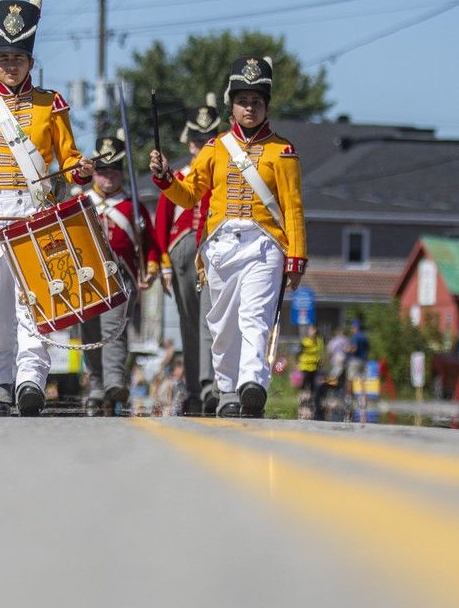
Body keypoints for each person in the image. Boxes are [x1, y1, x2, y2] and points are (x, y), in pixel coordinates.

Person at [0, 0, 94, 417]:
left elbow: (69, 159)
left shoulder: (52, 104)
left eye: (19, 58)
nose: (11, 66)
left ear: (31, 61)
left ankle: (30, 379)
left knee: (38, 303)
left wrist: (80, 169)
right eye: (4, 58)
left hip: (39, 212)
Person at [150, 56, 307, 418]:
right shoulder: (215, 148)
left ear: (266, 105)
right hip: (220, 246)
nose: (249, 107)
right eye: (242, 100)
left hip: (264, 244)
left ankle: (252, 383)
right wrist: (164, 178)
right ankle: (226, 390)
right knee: (221, 326)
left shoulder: (282, 152)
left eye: (256, 100)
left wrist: (296, 258)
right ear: (231, 106)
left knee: (255, 316)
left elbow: (294, 210)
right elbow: (189, 194)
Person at [81, 136, 159, 416]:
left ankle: (115, 383)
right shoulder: (81, 202)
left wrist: (150, 268)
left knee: (113, 331)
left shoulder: (131, 206)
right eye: (102, 171)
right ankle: (98, 386)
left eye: (114, 171)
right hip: (86, 277)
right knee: (90, 334)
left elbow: (150, 243)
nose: (107, 177)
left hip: (120, 275)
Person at [154, 93, 219, 414]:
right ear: (189, 143)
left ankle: (216, 386)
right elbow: (162, 224)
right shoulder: (178, 177)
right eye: (197, 141)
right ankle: (196, 388)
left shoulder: (224, 175)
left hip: (216, 249)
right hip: (183, 253)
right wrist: (164, 266)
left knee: (217, 322)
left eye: (209, 140)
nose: (202, 146)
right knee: (191, 325)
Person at [296, 324, 324, 420]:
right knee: (304, 386)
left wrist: (320, 360)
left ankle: (310, 403)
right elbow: (298, 353)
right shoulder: (305, 341)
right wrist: (298, 364)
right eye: (311, 330)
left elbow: (321, 353)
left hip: (315, 367)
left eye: (314, 330)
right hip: (305, 367)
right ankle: (302, 403)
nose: (312, 332)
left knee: (313, 386)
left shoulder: (319, 341)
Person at [345, 319, 369, 403]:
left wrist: (347, 350)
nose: (352, 329)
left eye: (352, 327)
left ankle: (348, 398)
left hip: (355, 360)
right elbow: (368, 348)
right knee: (362, 380)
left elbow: (354, 349)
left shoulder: (355, 336)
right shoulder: (365, 336)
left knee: (349, 379)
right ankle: (363, 399)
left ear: (355, 327)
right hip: (364, 360)